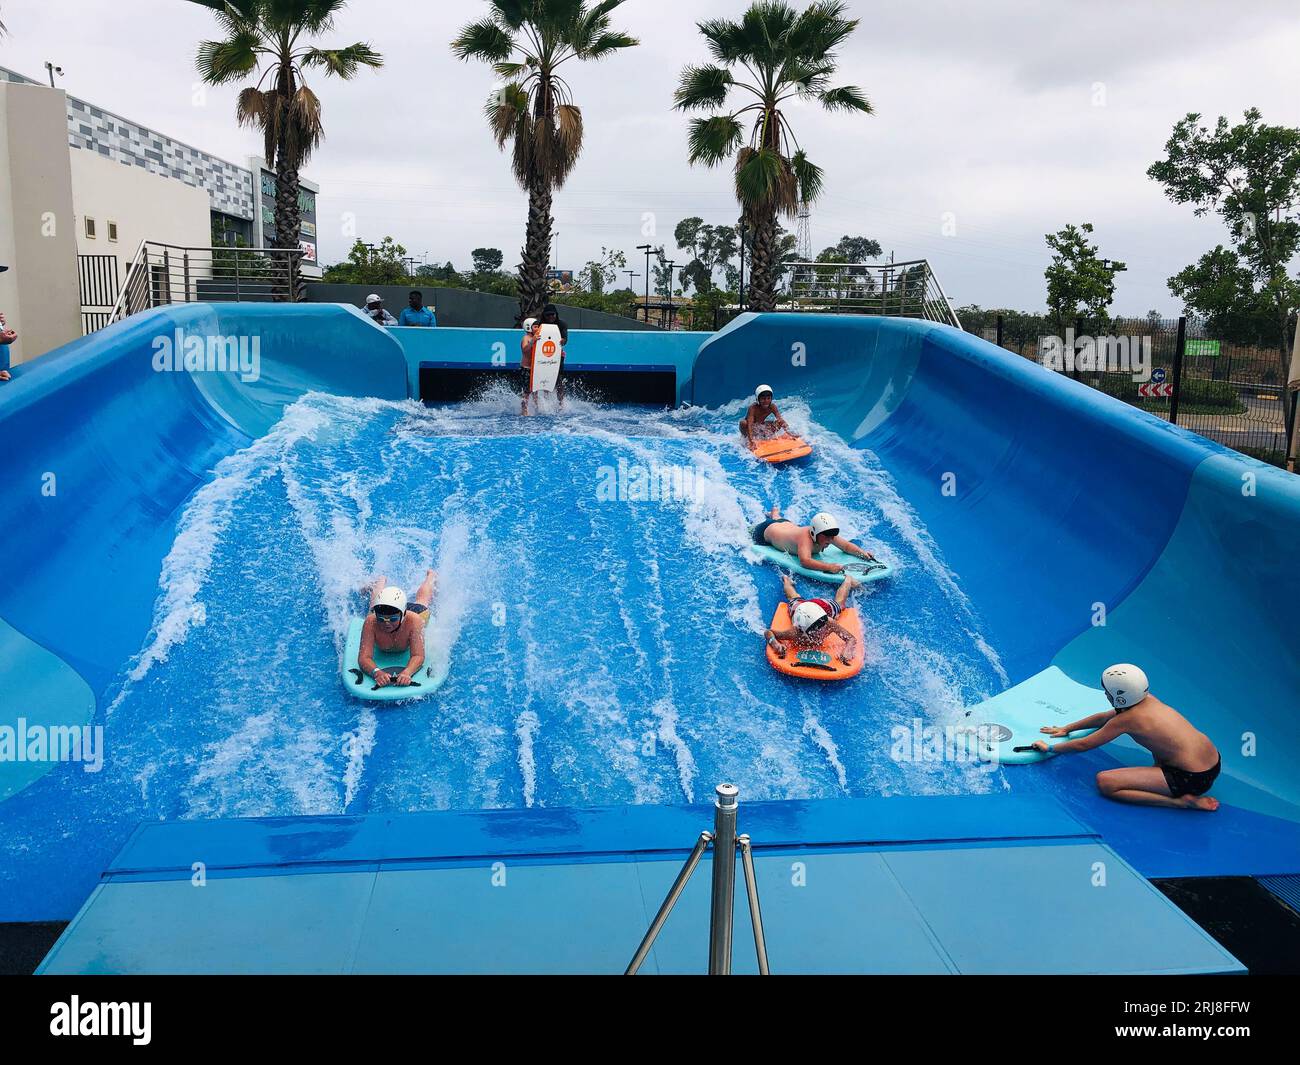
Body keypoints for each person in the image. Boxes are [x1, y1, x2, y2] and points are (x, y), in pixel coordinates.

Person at [1032, 664, 1221, 811]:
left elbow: (1084, 744)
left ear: (1120, 697)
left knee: (1106, 783)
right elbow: (1105, 717)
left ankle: (1180, 802)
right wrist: (1068, 728)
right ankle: (1164, 781)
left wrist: (1049, 748)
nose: (1106, 694)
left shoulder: (1129, 719)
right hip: (1212, 762)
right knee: (1163, 745)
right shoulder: (1148, 700)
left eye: (1108, 692)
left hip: (1192, 779)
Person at [358, 571, 436, 688]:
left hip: (415, 612)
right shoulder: (372, 621)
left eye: (392, 619)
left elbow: (418, 655)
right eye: (382, 619)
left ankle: (431, 576)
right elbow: (364, 658)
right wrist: (376, 672)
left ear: (403, 615)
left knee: (422, 601)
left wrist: (407, 672)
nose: (386, 623)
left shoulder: (415, 621)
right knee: (373, 606)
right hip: (387, 610)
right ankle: (381, 580)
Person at [750, 504, 877, 575]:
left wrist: (863, 553)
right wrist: (828, 567)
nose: (830, 539)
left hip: (785, 524)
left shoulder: (826, 534)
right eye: (827, 536)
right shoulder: (805, 538)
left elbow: (846, 546)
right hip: (766, 531)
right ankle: (773, 515)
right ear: (814, 532)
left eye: (832, 536)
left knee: (778, 519)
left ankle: (775, 513)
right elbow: (805, 561)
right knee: (748, 534)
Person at [765, 572, 861, 664]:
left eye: (822, 625)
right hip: (800, 608)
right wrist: (775, 644)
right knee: (792, 597)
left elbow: (851, 639)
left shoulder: (828, 622)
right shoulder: (794, 633)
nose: (822, 629)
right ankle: (786, 580)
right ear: (802, 630)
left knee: (840, 604)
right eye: (816, 628)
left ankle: (848, 580)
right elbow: (769, 632)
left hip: (820, 608)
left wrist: (848, 649)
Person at [519, 303, 569, 414]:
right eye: (548, 315)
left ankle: (557, 405)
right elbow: (526, 348)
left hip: (552, 359)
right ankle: (526, 409)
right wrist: (533, 340)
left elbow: (564, 339)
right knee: (531, 387)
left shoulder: (561, 324)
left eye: (553, 314)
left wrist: (562, 344)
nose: (551, 317)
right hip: (533, 363)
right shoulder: (532, 333)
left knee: (557, 382)